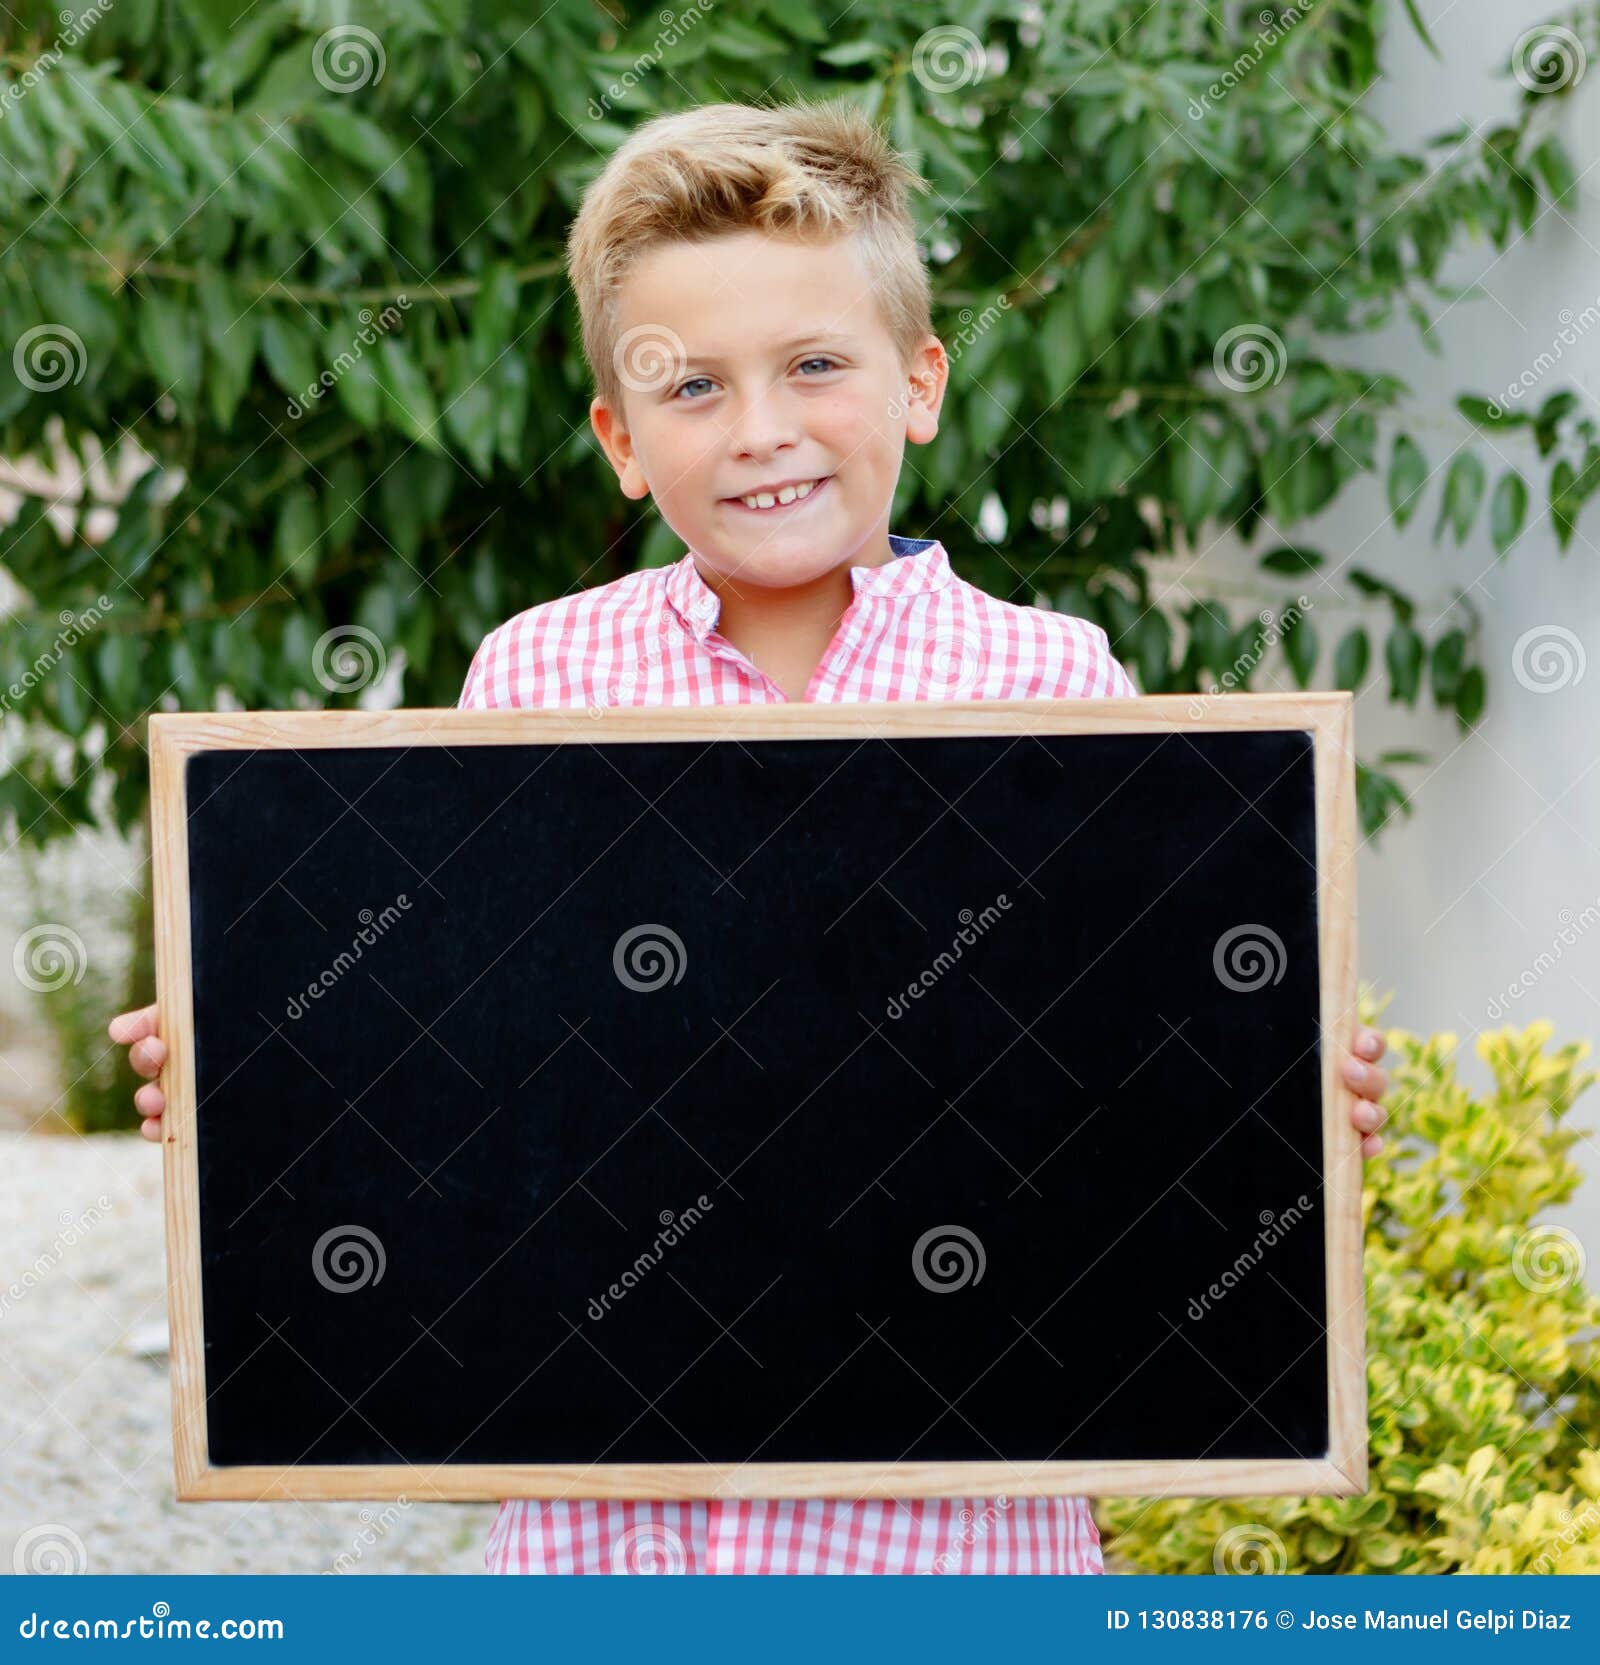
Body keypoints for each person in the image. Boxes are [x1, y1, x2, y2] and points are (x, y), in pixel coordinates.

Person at [108, 97, 1389, 1575]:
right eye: (692, 385)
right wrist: (257, 1071)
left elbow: (1131, 1110)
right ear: (620, 439)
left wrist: (1277, 1091)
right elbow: (460, 1081)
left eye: (816, 366)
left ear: (920, 383)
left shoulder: (1057, 688)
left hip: (961, 1563)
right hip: (605, 1562)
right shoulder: (534, 682)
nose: (762, 429)